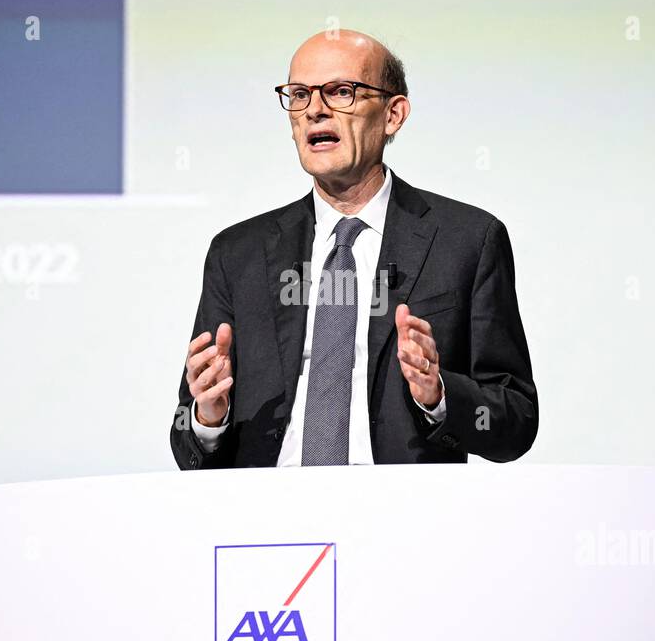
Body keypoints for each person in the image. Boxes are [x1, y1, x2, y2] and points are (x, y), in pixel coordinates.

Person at [170, 30, 537, 468]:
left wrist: (439, 394)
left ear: (393, 114)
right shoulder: (237, 253)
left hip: (404, 513)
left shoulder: (467, 240)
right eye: (300, 95)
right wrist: (208, 417)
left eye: (341, 92)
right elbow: (184, 437)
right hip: (268, 516)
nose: (315, 110)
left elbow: (516, 419)